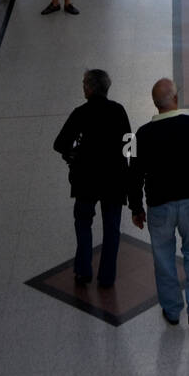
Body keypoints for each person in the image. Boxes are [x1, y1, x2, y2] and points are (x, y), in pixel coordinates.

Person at [129, 78, 189, 330]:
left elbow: (134, 175)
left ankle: (171, 310)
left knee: (163, 258)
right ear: (176, 99)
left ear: (155, 104)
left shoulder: (142, 134)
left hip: (159, 206)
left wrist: (136, 208)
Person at [53, 68, 132, 288]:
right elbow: (130, 147)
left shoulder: (80, 113)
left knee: (83, 223)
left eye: (83, 84)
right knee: (112, 229)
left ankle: (83, 271)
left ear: (89, 88)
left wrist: (72, 157)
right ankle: (107, 277)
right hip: (114, 181)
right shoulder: (119, 111)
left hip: (85, 180)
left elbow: (59, 144)